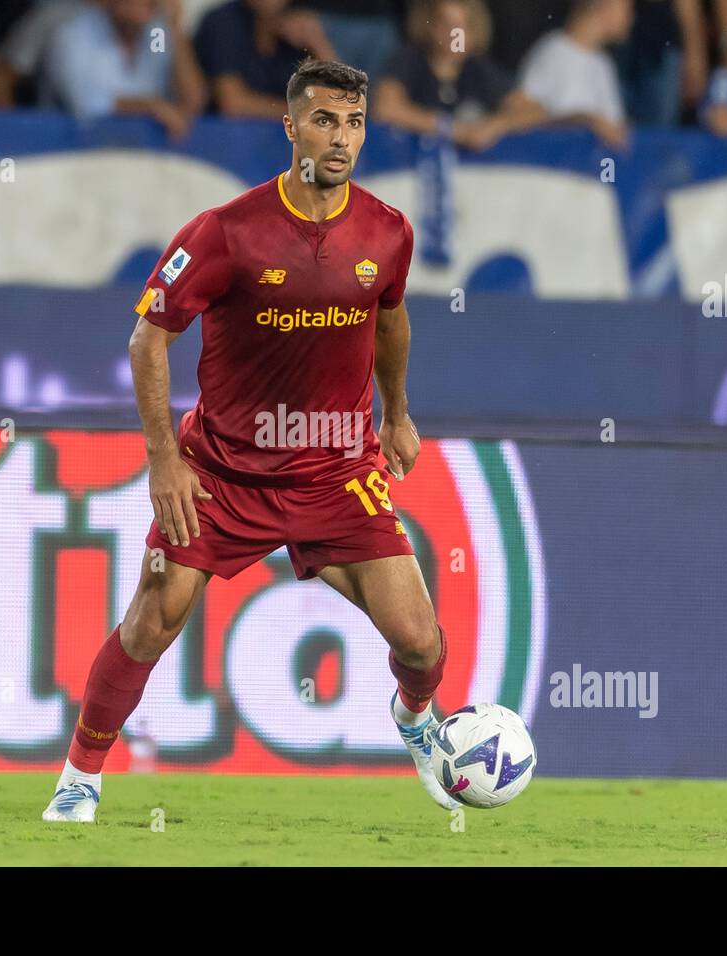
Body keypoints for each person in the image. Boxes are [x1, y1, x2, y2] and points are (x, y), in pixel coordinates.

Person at [43, 58, 458, 823]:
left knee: (423, 643)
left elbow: (391, 317)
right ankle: (81, 774)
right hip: (224, 471)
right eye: (326, 120)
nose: (341, 139)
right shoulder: (225, 233)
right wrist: (164, 460)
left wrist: (397, 412)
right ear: (292, 125)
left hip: (336, 471)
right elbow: (148, 340)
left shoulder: (387, 232)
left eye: (356, 122)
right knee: (154, 615)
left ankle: (413, 719)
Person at [373, 0, 546, 152]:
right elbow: (386, 108)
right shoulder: (409, 61)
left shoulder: (479, 70)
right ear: (430, 27)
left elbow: (533, 111)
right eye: (447, 25)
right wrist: (451, 129)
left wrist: (494, 125)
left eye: (464, 27)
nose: (455, 36)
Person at [43, 0, 205, 136]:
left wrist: (174, 27)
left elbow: (193, 101)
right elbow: (85, 102)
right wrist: (150, 107)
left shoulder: (156, 35)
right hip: (79, 151)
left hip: (144, 153)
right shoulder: (75, 34)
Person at [519, 0, 634, 145]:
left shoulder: (604, 65)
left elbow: (615, 129)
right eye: (627, 9)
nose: (631, 17)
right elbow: (521, 114)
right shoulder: (552, 52)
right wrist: (586, 120)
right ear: (604, 5)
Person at [194, 0, 335, 118]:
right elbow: (233, 104)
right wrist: (304, 112)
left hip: (281, 141)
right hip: (225, 140)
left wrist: (318, 43)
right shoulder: (224, 21)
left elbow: (341, 101)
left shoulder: (296, 27)